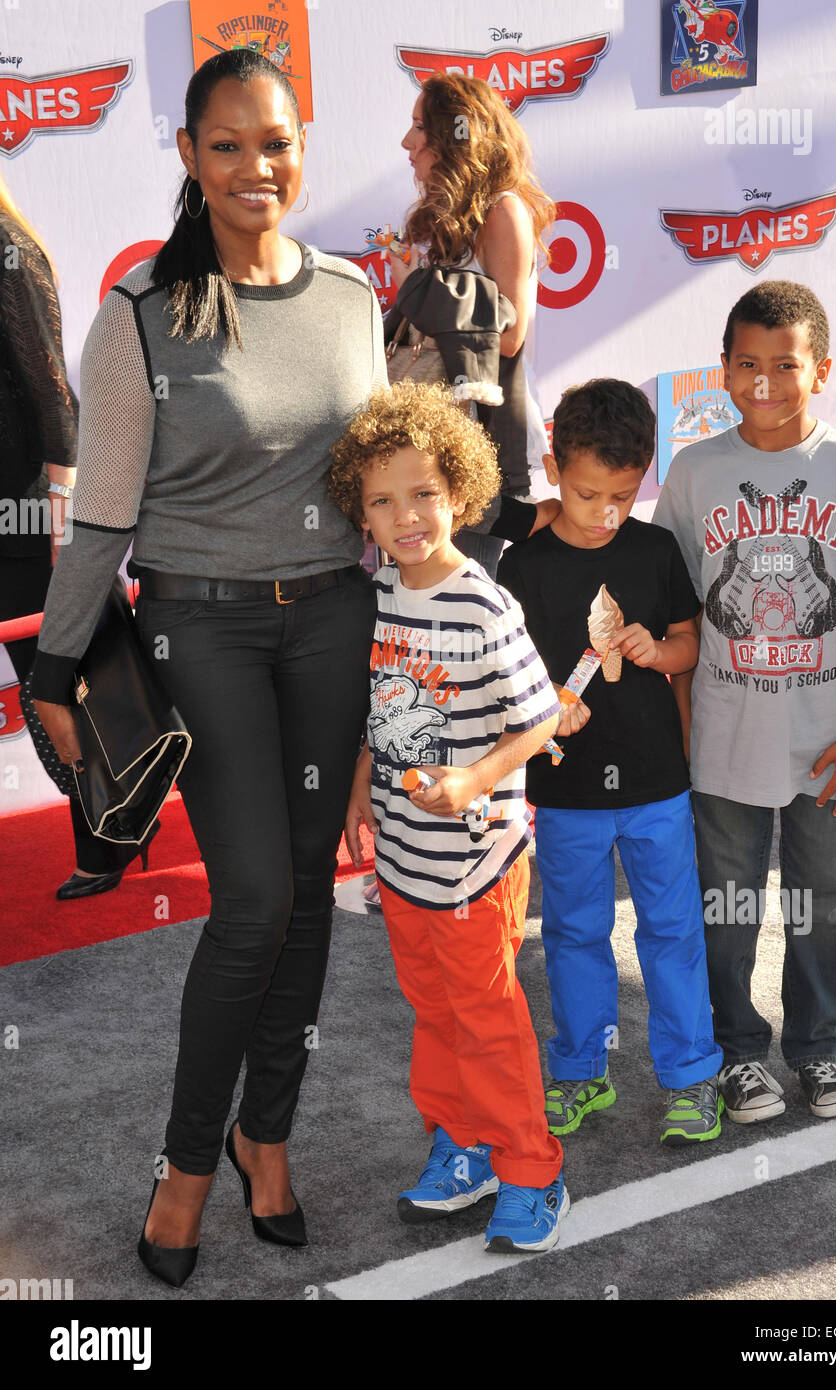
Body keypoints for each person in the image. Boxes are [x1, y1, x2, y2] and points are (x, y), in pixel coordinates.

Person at [30, 49, 385, 1287]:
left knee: (305, 892)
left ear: (303, 147)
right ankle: (188, 1162)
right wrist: (53, 668)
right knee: (250, 902)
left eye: (275, 141)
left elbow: (379, 495)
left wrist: (406, 657)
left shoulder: (351, 297)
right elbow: (105, 516)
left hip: (336, 623)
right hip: (203, 627)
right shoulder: (142, 314)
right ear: (187, 154)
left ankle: (265, 1135)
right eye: (226, 144)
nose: (255, 166)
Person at [654, 281, 836, 1123]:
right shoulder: (694, 474)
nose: (765, 382)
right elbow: (680, 617)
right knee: (725, 907)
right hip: (725, 741)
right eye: (748, 365)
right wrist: (690, 730)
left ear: (824, 370)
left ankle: (819, 1051)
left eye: (785, 366)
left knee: (821, 905)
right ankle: (737, 1053)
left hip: (829, 739)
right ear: (723, 369)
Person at [332, 381, 568, 1253]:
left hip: (478, 861)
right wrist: (361, 778)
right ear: (359, 514)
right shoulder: (379, 596)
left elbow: (541, 718)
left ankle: (532, 1173)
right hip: (403, 862)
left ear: (461, 494)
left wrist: (474, 781)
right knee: (434, 1011)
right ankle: (460, 1144)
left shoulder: (483, 604)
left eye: (424, 493)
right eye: (382, 501)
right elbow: (382, 707)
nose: (406, 517)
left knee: (490, 1019)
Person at [497, 379, 725, 1146]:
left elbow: (691, 643)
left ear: (645, 476)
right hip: (564, 791)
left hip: (658, 783)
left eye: (622, 497)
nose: (604, 514)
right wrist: (542, 712)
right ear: (552, 462)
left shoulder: (657, 548)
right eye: (587, 492)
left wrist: (659, 651)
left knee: (671, 929)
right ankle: (580, 1073)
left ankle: (693, 1076)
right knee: (572, 934)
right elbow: (504, 681)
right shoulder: (521, 565)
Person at [0, 176, 148, 898]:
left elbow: (52, 388)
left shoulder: (7, 248)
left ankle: (110, 832)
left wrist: (62, 523)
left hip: (25, 515)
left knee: (57, 682)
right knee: (45, 679)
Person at [390, 72, 557, 576]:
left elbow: (508, 337)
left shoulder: (503, 210)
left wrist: (419, 286)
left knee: (461, 602)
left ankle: (528, 521)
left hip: (481, 442)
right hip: (429, 440)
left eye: (420, 127)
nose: (407, 141)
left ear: (453, 136)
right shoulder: (445, 217)